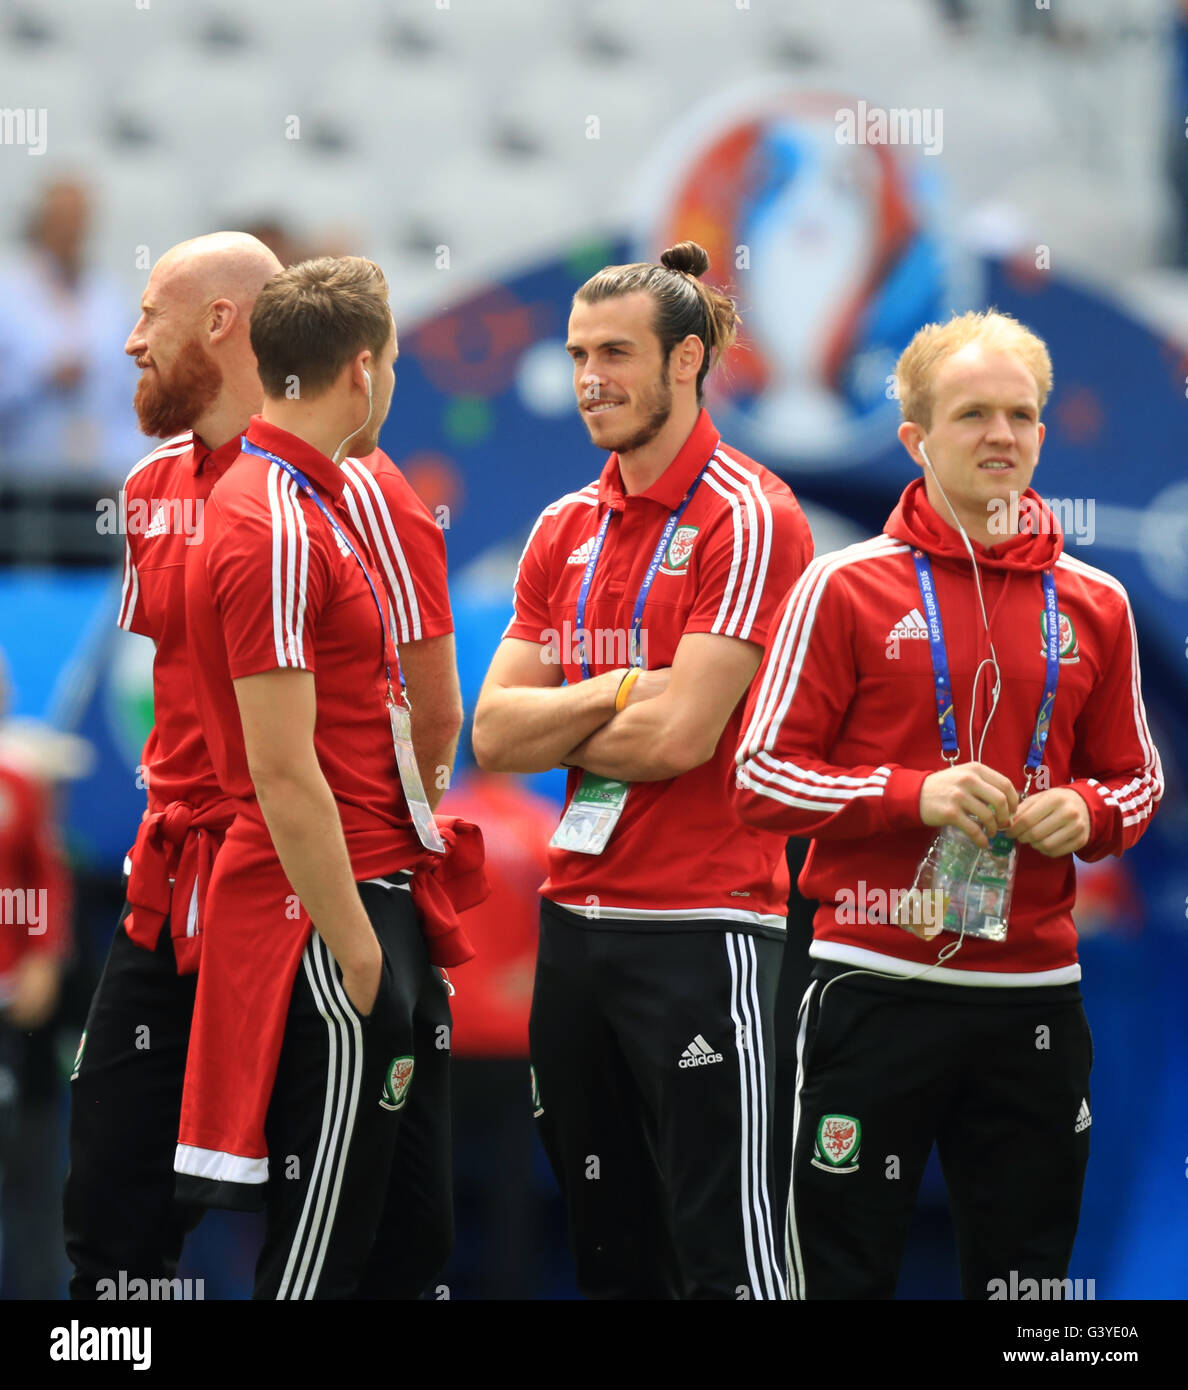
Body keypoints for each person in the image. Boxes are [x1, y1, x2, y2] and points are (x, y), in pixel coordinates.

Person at [733, 309, 1163, 1300]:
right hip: (871, 983)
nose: (1002, 436)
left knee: (1030, 1288)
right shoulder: (842, 587)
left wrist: (1088, 815)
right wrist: (910, 793)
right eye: (973, 414)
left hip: (1036, 1000)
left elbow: (1135, 782)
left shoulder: (1095, 599)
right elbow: (760, 776)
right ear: (916, 439)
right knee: (838, 1275)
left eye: (1021, 414)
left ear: (1043, 434)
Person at [64, 234, 464, 1300]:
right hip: (182, 886)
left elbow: (434, 715)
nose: (129, 337)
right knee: (113, 1217)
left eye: (151, 310)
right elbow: (180, 697)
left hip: (322, 891)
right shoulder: (153, 488)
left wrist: (368, 884)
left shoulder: (371, 498)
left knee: (382, 1235)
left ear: (224, 322)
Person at [472, 241, 813, 1300]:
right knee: (609, 1252)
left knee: (731, 1258)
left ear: (688, 361)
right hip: (574, 931)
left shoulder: (749, 515)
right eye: (577, 353)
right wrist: (627, 687)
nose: (589, 378)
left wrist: (566, 718)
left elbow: (683, 743)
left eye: (615, 352)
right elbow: (489, 738)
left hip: (708, 930)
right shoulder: (560, 526)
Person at [177, 255, 484, 1300]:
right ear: (363, 369)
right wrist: (355, 944)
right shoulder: (272, 520)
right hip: (329, 907)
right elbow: (280, 766)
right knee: (322, 1250)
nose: (392, 380)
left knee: (406, 1242)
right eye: (392, 361)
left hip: (374, 887)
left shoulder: (314, 499)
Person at [0, 180, 143, 481]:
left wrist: (124, 468)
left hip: (96, 484)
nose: (70, 232)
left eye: (77, 221)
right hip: (20, 486)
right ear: (40, 222)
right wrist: (39, 378)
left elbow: (129, 397)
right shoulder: (7, 294)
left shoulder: (109, 297)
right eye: (60, 221)